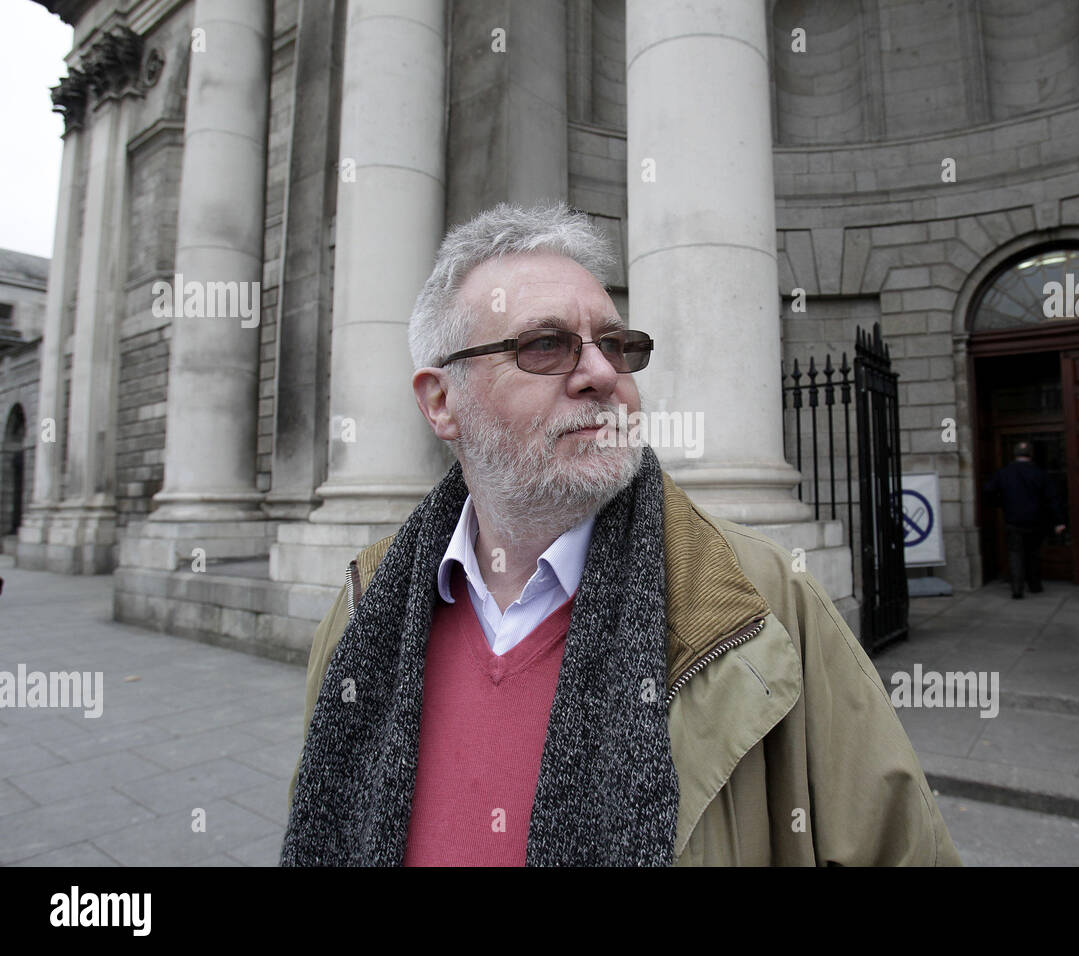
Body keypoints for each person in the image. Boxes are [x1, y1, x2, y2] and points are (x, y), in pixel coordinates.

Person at [281, 201, 960, 867]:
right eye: (544, 346)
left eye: (615, 344)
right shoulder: (365, 603)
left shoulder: (762, 603)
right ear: (440, 400)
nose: (605, 374)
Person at [984, 441, 1066, 599]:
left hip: (1013, 519)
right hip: (1036, 520)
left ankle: (1017, 589)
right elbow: (1052, 499)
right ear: (1030, 455)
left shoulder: (1004, 473)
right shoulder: (1040, 473)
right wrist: (1058, 521)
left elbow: (988, 490)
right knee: (1033, 553)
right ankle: (1035, 585)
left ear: (1014, 455)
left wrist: (1000, 503)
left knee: (1016, 554)